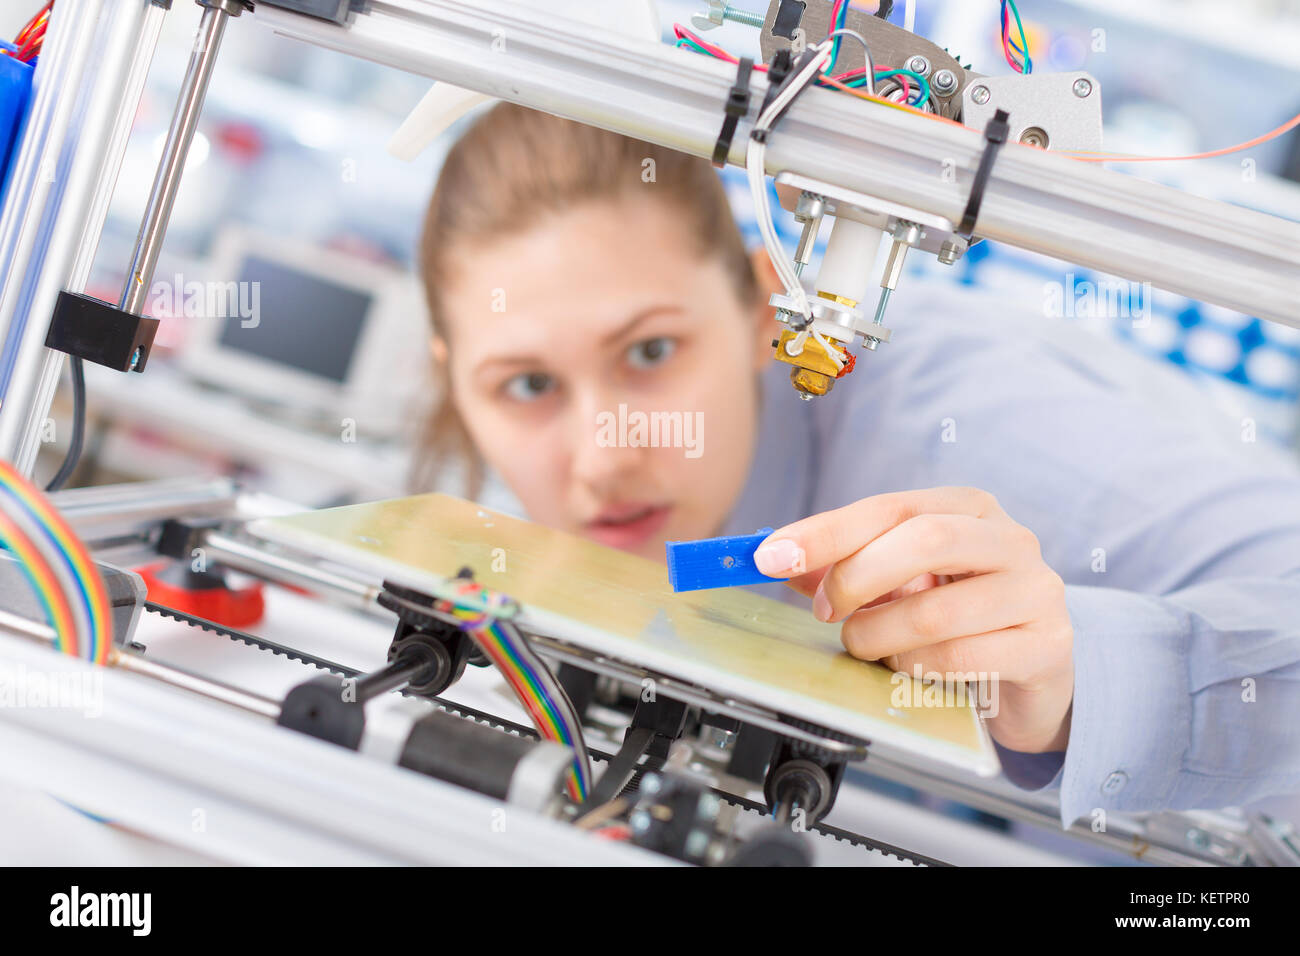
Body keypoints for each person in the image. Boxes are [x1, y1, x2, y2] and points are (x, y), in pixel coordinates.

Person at [413, 102, 1300, 827]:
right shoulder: (490, 523)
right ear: (457, 383)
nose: (602, 458)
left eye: (650, 354)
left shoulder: (964, 426)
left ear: (768, 307)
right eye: (526, 384)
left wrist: (1082, 681)